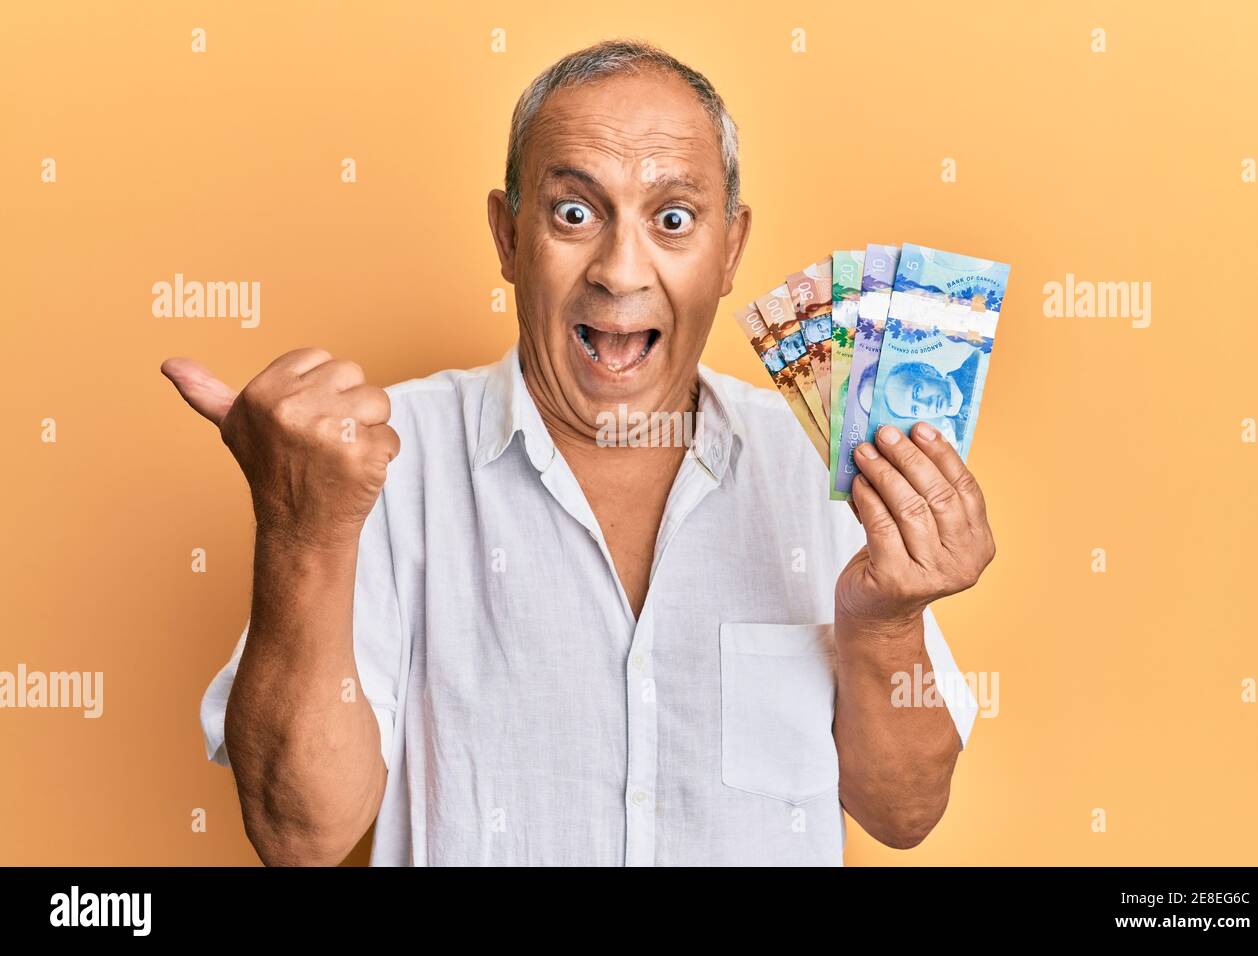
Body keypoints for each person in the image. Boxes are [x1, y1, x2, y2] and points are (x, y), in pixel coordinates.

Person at [161, 38, 994, 866]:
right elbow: (301, 835)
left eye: (673, 219)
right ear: (507, 237)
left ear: (731, 248)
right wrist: (301, 533)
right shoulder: (382, 468)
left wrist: (884, 627)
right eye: (573, 213)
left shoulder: (825, 466)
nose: (620, 270)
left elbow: (903, 813)